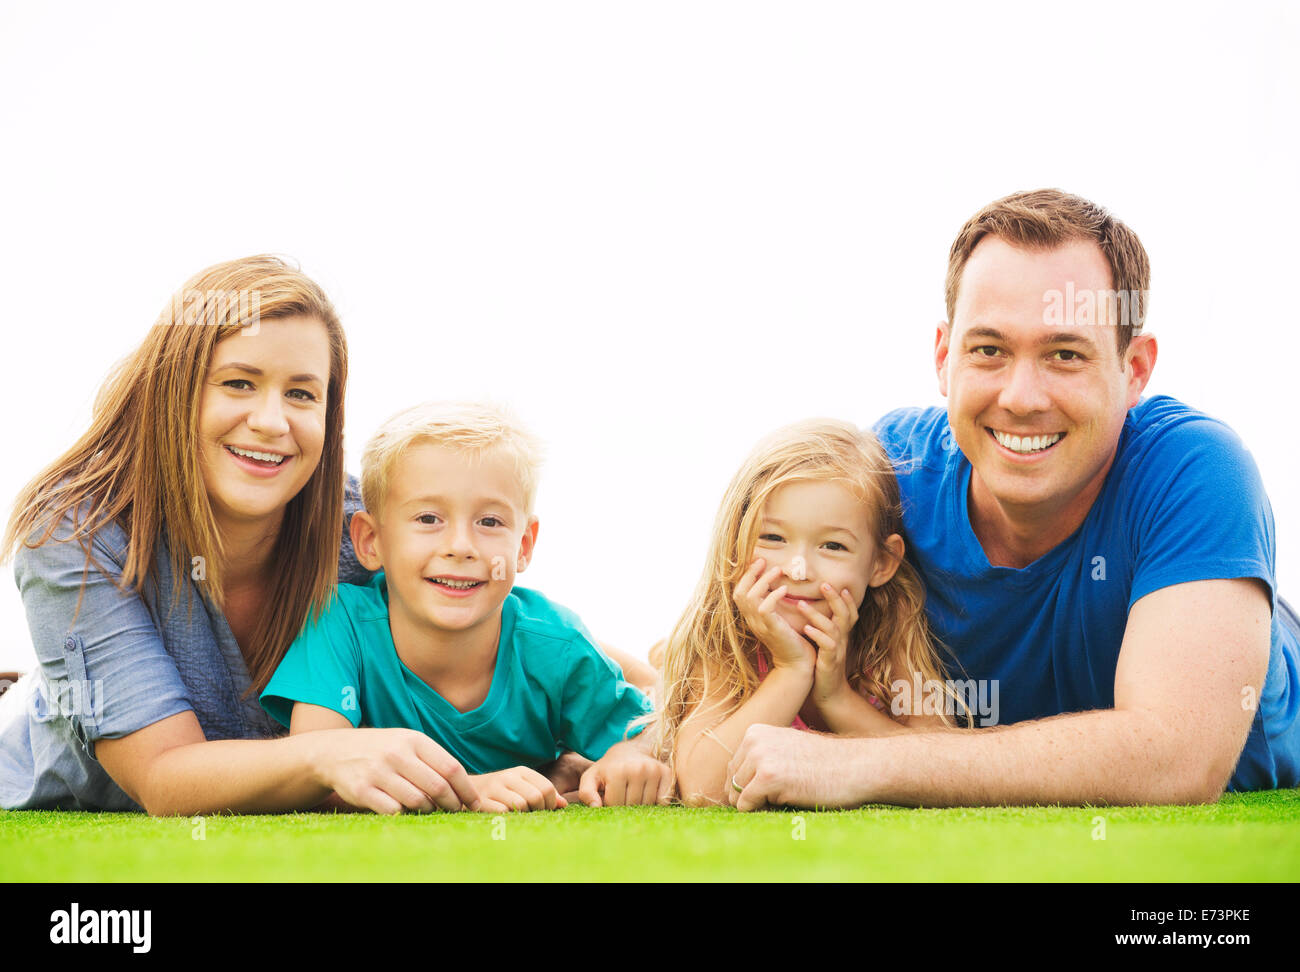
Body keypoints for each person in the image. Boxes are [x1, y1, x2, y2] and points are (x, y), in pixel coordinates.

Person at [726, 189, 1300, 809]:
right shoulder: (889, 477)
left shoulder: (1196, 470)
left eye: (1064, 354)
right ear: (945, 358)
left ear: (1134, 368)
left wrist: (862, 763)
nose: (1022, 397)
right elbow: (734, 656)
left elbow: (1176, 759)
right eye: (989, 350)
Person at [0, 256, 481, 815]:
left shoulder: (362, 532)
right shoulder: (75, 533)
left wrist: (603, 733)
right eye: (238, 383)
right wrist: (327, 754)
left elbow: (532, 637)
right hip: (56, 799)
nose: (272, 421)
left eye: (302, 394)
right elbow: (164, 777)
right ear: (173, 391)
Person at [260, 401, 672, 812]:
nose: (460, 546)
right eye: (428, 518)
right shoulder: (338, 624)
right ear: (371, 541)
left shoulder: (557, 644)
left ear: (524, 545)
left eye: (490, 522)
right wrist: (471, 791)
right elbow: (313, 769)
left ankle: (671, 656)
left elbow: (654, 728)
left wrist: (630, 755)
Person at [650, 419, 969, 806]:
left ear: (881, 563)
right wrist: (791, 670)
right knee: (656, 673)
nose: (797, 569)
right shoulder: (725, 634)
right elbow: (702, 788)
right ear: (736, 542)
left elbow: (945, 762)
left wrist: (835, 697)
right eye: (773, 538)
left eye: (832, 546)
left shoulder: (890, 624)